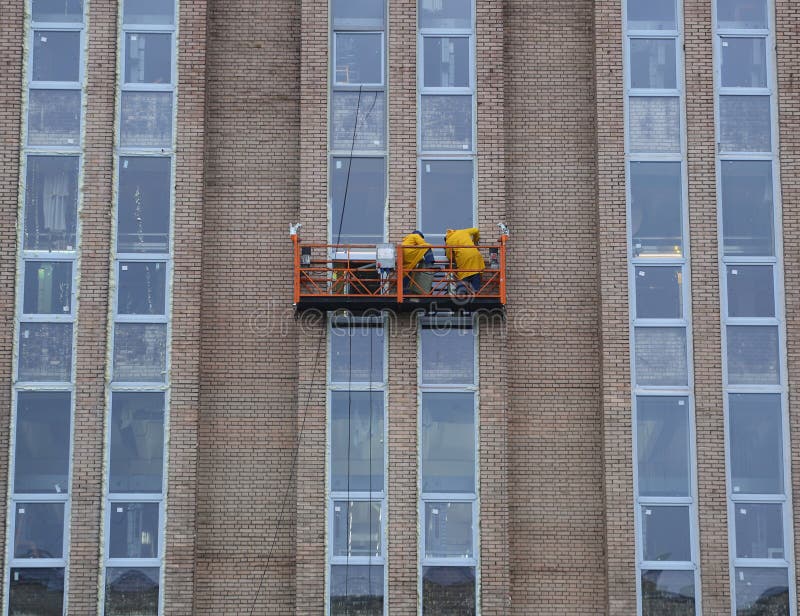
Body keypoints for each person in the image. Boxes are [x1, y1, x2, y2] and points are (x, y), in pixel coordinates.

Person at [445, 227, 485, 293]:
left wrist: (454, 258)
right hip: (476, 255)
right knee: (476, 273)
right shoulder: (463, 231)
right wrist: (475, 242)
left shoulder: (449, 241)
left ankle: (462, 293)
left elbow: (449, 257)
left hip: (463, 260)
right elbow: (476, 230)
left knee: (464, 275)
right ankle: (475, 291)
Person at [401, 230, 434, 295]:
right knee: (427, 246)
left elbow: (417, 253)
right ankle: (430, 263)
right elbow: (423, 243)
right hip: (409, 252)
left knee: (406, 273)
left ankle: (404, 292)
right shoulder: (416, 236)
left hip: (404, 255)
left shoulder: (407, 240)